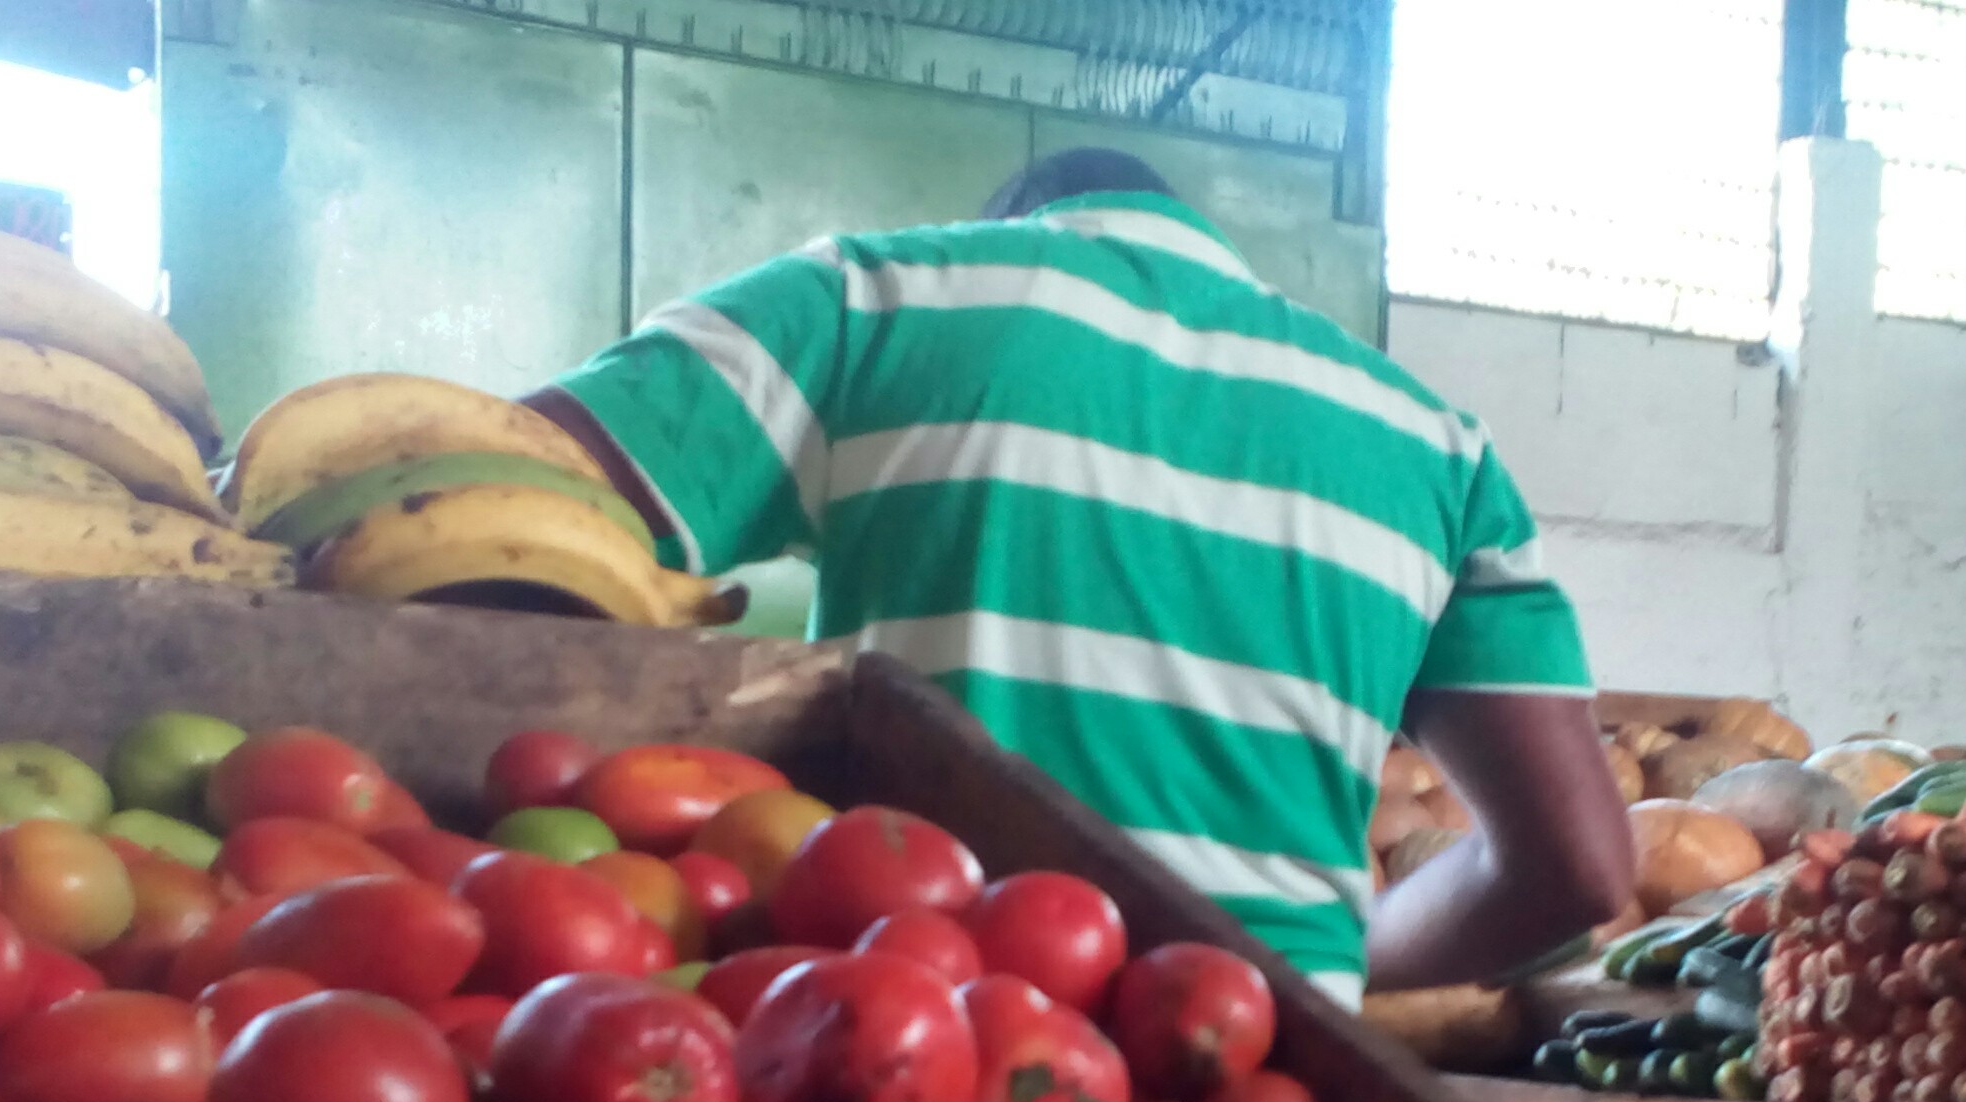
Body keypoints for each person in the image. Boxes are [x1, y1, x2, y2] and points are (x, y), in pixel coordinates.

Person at [525, 146, 1633, 1001]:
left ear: (1009, 229)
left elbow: (483, 490)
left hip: (918, 1048)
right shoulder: (1437, 446)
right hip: (1257, 1088)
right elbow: (1582, 868)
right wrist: (1321, 958)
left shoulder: (879, 301)